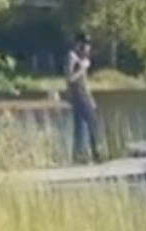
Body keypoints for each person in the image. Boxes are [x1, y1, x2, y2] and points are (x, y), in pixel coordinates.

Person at [65, 32, 101, 164]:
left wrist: (90, 97)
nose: (88, 48)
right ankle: (96, 154)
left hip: (83, 95)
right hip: (79, 96)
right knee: (92, 123)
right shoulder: (72, 57)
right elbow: (69, 78)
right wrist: (83, 68)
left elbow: (84, 82)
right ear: (79, 44)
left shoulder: (80, 57)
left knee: (81, 127)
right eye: (86, 45)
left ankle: (80, 157)